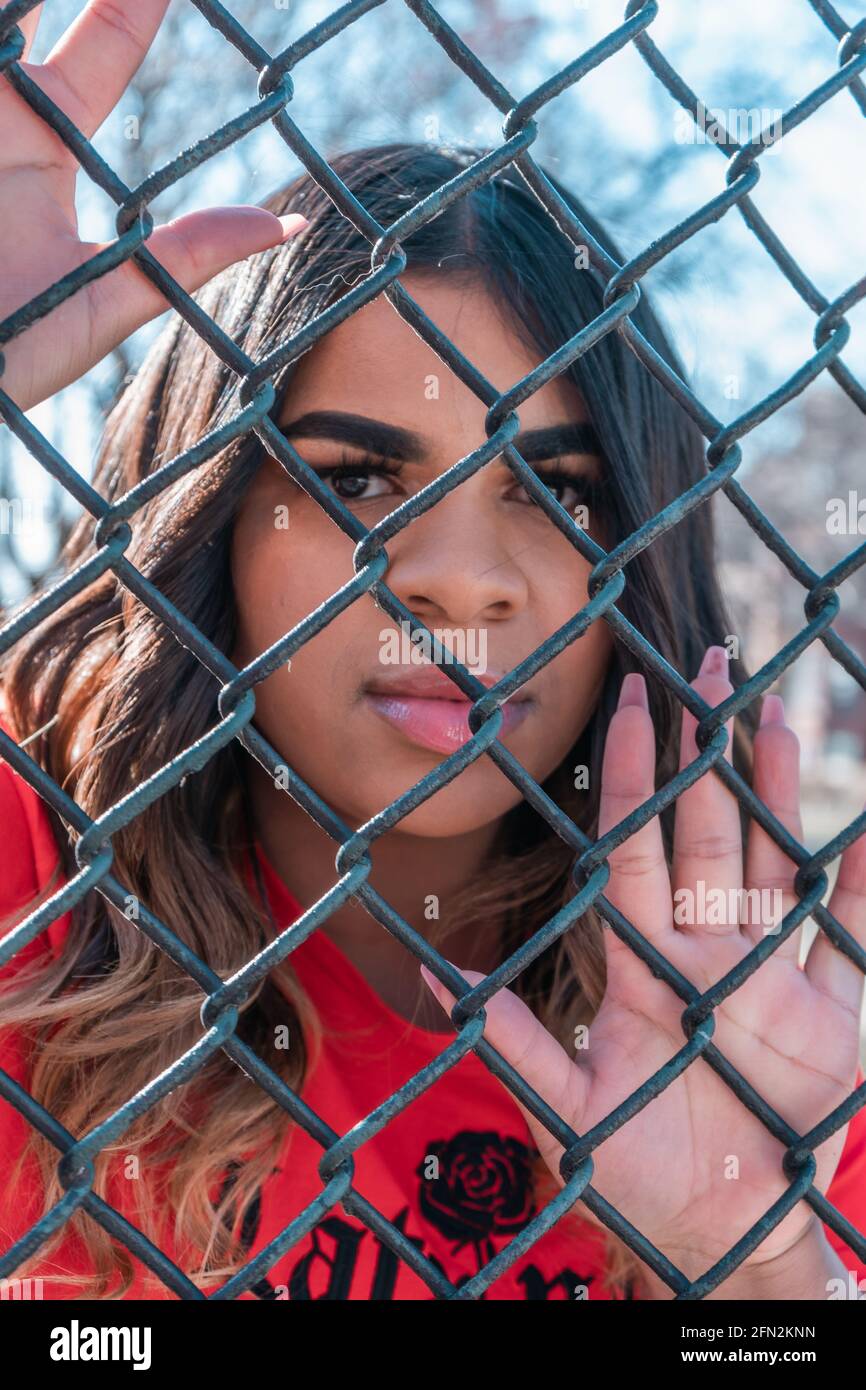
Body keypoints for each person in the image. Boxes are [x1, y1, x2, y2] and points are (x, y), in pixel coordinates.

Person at [1, 0, 865, 1302]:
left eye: (557, 489)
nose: (463, 578)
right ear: (211, 517)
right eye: (352, 475)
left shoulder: (762, 1013)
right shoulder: (39, 883)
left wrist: (741, 1259)